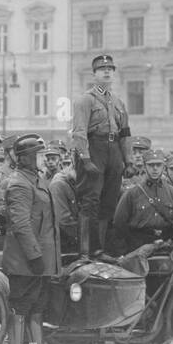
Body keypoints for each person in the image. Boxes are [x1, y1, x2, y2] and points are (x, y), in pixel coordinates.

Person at [3, 134, 58, 344]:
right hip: (25, 259)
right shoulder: (19, 184)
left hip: (38, 257)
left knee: (38, 306)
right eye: (40, 155)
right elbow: (21, 224)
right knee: (21, 306)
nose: (44, 159)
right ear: (26, 158)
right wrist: (35, 256)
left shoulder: (35, 179)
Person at [70, 54, 131, 253]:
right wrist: (85, 159)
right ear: (94, 74)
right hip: (94, 148)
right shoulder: (85, 100)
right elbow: (79, 132)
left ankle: (102, 249)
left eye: (110, 69)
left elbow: (125, 133)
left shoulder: (118, 102)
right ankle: (87, 251)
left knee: (109, 202)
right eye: (102, 69)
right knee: (90, 202)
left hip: (114, 150)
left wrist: (128, 161)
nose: (107, 72)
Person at [110, 149, 173, 254]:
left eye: (158, 165)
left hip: (166, 244)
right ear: (145, 167)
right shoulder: (132, 193)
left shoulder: (171, 192)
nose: (155, 168)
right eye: (151, 165)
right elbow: (119, 223)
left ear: (164, 167)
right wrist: (122, 252)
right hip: (139, 245)